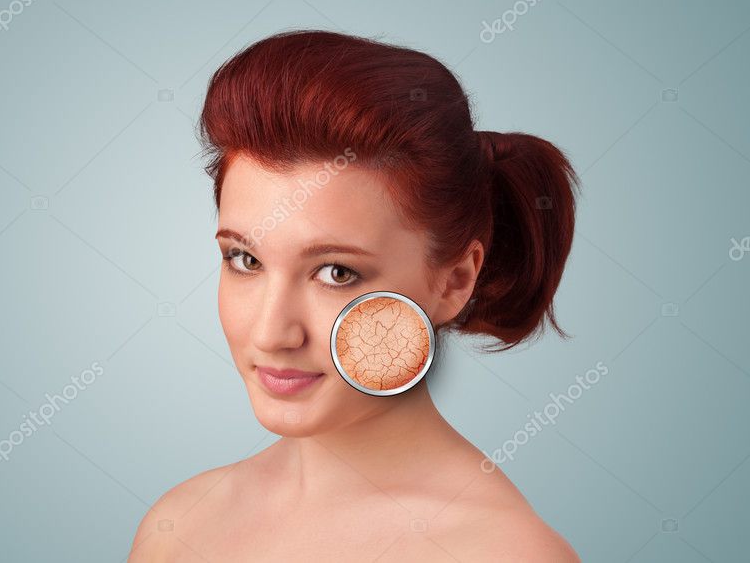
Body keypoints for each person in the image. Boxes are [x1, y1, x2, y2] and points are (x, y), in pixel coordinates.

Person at [129, 29, 582, 562]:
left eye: (337, 273)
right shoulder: (180, 525)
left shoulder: (504, 554)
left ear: (455, 281)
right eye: (245, 260)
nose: (272, 333)